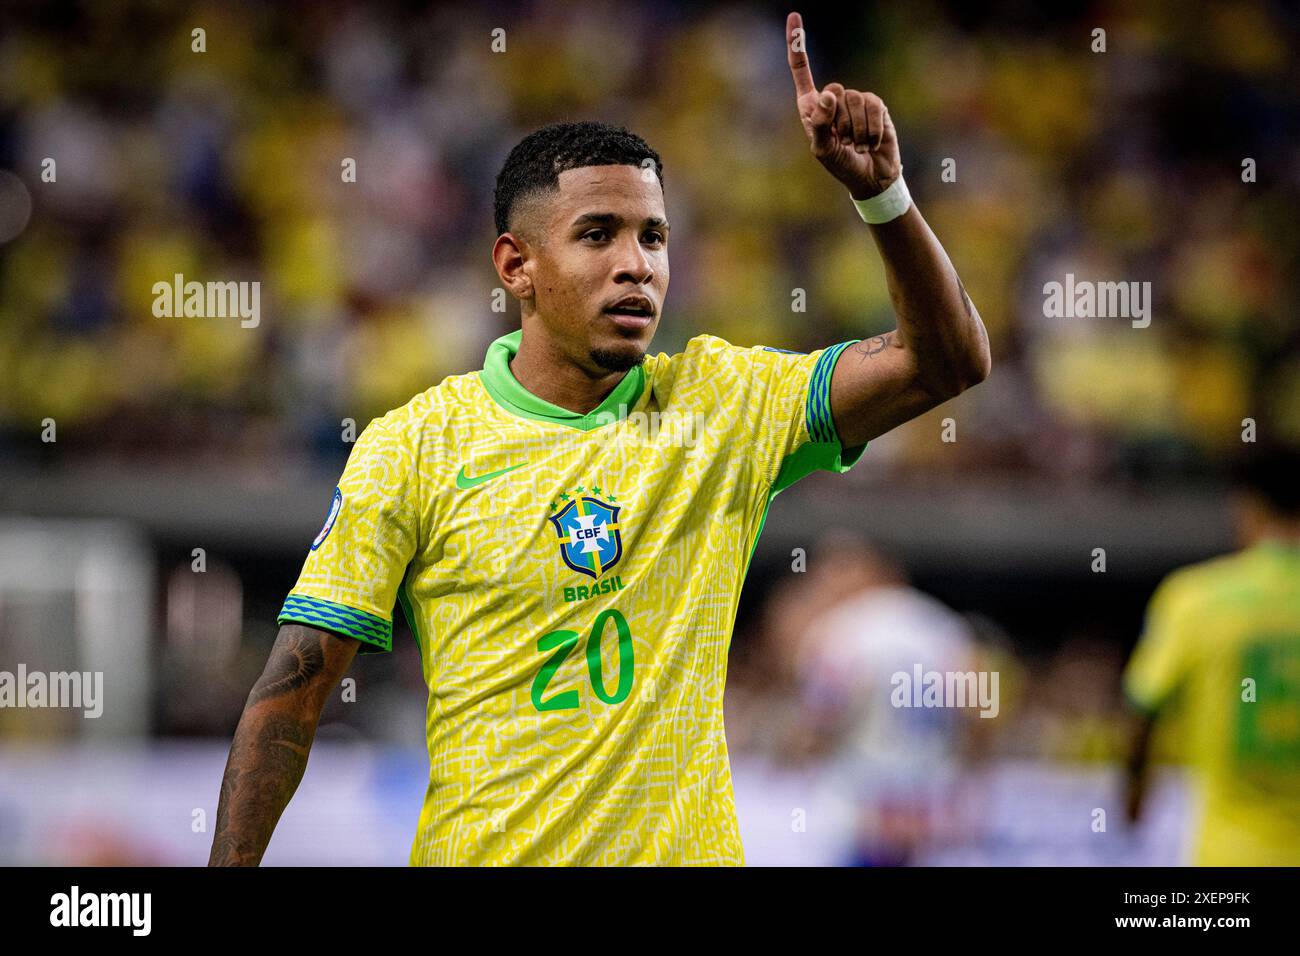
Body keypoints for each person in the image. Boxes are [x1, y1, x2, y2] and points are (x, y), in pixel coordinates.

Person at [208, 11, 990, 866]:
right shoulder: (416, 446)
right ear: (517, 266)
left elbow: (944, 362)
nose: (638, 264)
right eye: (598, 235)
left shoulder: (721, 402)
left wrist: (883, 196)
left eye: (653, 236)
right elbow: (292, 694)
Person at [1123, 442, 1300, 865]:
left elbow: (1143, 706)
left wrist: (1134, 798)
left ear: (1249, 508)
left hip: (1231, 855)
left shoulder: (1195, 600)